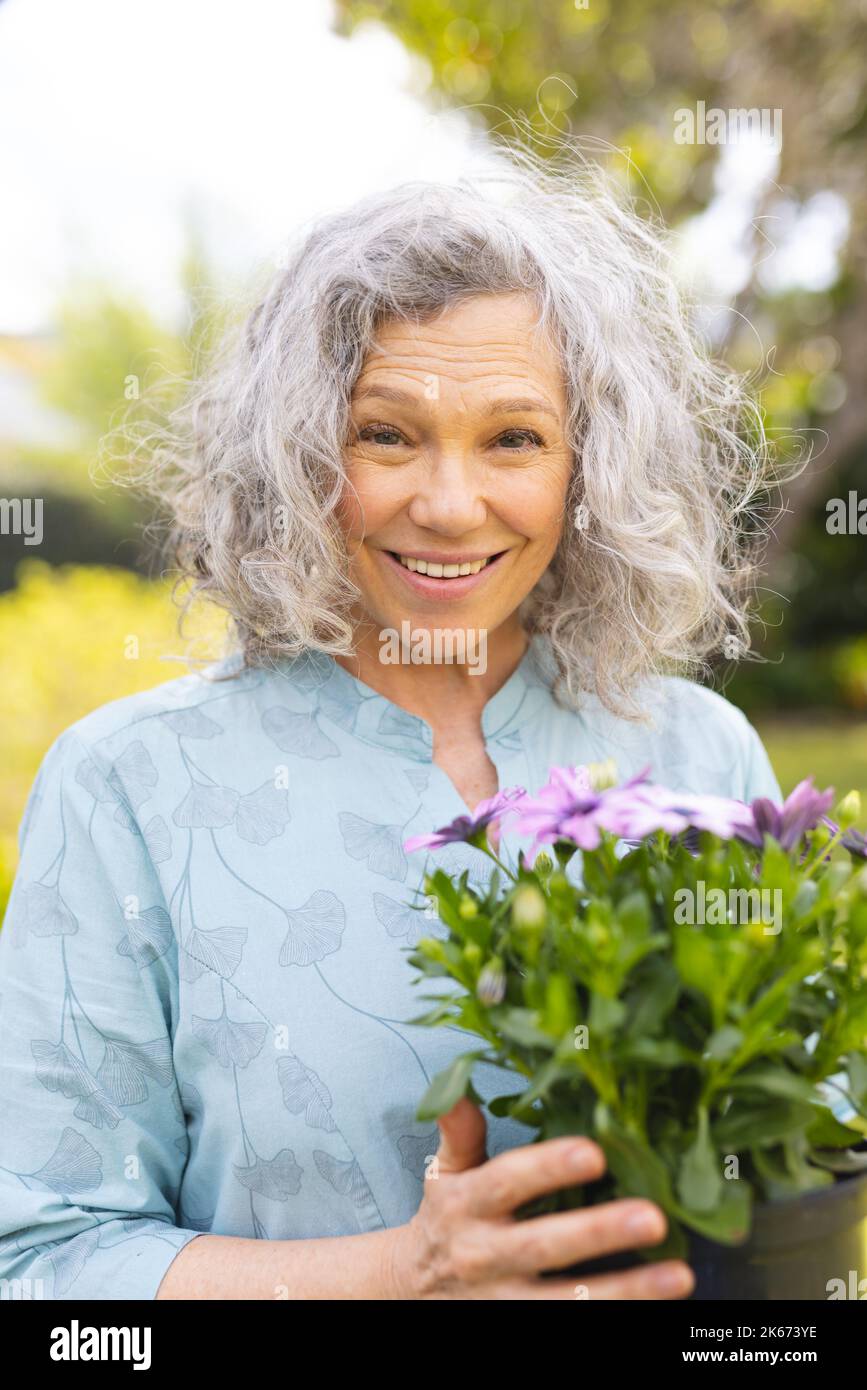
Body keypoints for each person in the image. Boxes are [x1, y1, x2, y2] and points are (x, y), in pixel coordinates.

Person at [0, 154, 782, 1300]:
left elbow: (793, 1182)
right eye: (387, 434)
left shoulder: (704, 756)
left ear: (587, 466)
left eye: (514, 438)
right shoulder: (127, 784)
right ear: (303, 454)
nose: (452, 504)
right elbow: (46, 1274)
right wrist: (405, 1275)